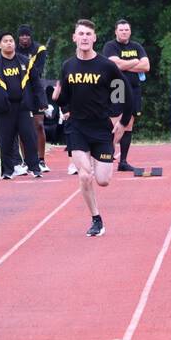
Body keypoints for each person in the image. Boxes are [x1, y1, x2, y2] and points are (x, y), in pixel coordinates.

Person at [51, 19, 128, 237]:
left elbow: (122, 94)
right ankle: (96, 219)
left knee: (102, 180)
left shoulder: (106, 66)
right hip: (76, 129)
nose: (84, 37)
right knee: (84, 176)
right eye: (80, 34)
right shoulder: (68, 66)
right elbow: (63, 96)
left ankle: (98, 162)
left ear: (94, 38)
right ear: (74, 38)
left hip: (102, 128)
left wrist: (120, 121)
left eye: (88, 34)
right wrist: (62, 105)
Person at [0, 31, 43, 180]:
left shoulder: (25, 62)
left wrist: (42, 102)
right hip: (4, 109)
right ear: (0, 45)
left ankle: (34, 168)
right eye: (5, 41)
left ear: (14, 44)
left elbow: (36, 83)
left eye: (11, 40)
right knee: (6, 140)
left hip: (23, 107)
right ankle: (7, 170)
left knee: (29, 137)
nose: (9, 43)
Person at [102, 19, 150, 172]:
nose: (124, 32)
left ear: (130, 31)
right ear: (116, 31)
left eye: (126, 30)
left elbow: (146, 66)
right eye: (121, 30)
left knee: (128, 124)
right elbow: (114, 64)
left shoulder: (137, 46)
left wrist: (125, 65)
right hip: (117, 87)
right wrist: (135, 62)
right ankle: (105, 155)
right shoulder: (110, 46)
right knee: (116, 122)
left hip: (134, 89)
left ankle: (123, 161)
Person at [15, 24, 50, 172]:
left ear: (31, 36)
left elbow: (38, 70)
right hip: (18, 90)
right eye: (22, 35)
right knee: (23, 127)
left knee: (39, 125)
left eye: (27, 35)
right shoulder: (14, 50)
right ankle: (27, 161)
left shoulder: (39, 49)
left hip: (35, 89)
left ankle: (41, 160)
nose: (24, 38)